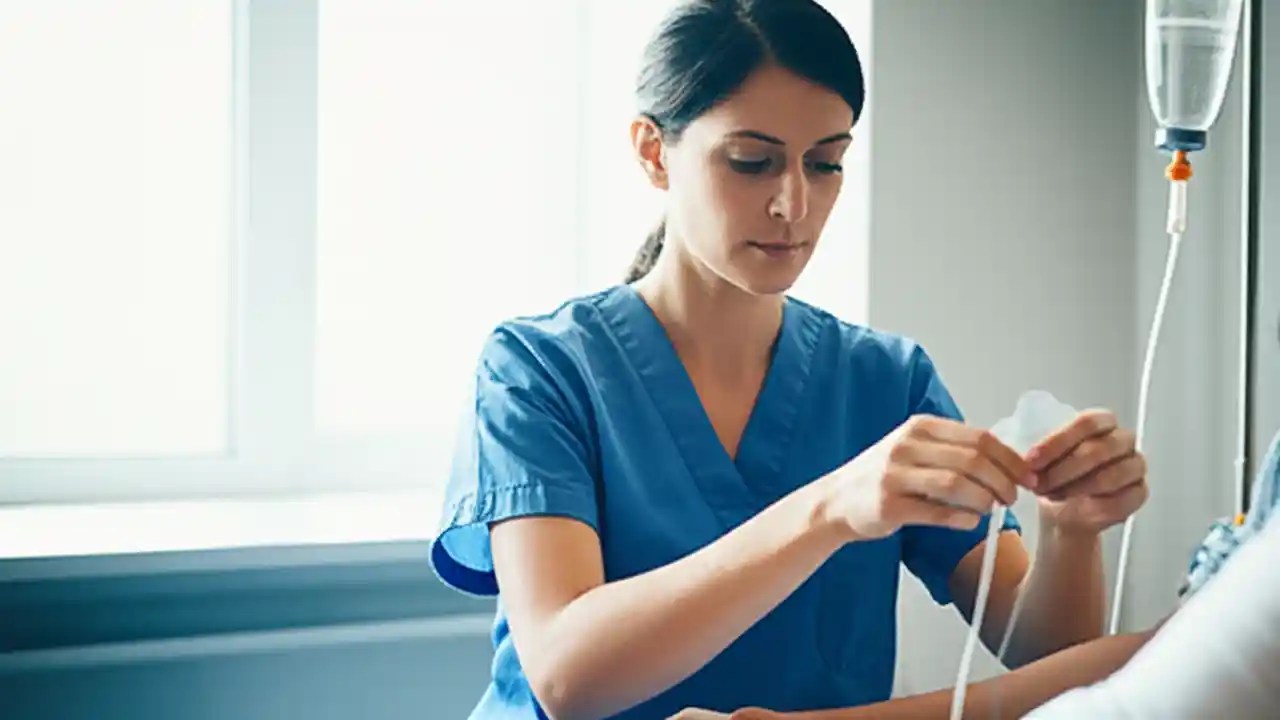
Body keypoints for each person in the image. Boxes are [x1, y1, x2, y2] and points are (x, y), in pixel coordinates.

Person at [428, 1, 1149, 718]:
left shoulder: (884, 383)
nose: (794, 205)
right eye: (752, 162)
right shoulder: (539, 370)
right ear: (654, 152)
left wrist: (1070, 532)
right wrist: (830, 510)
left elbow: (1050, 661)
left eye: (826, 163)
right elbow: (566, 678)